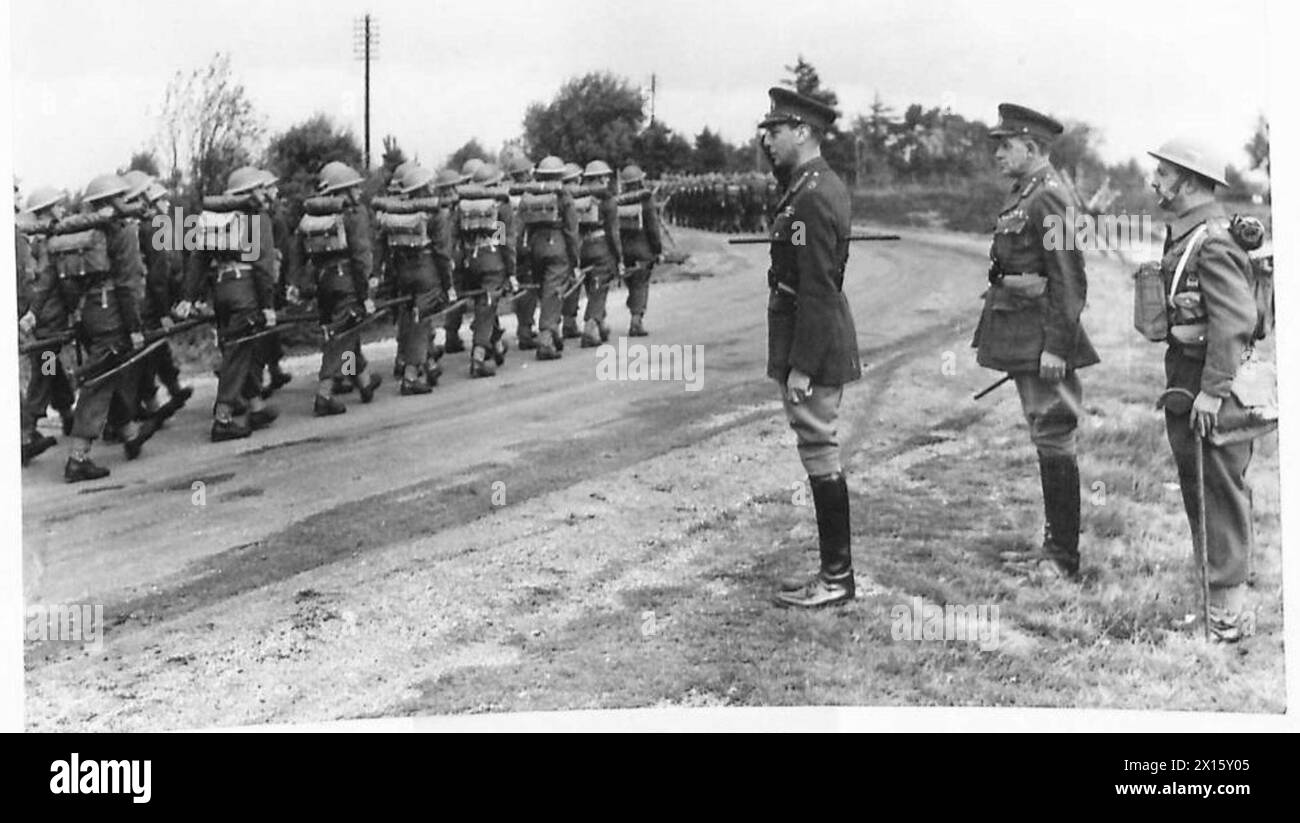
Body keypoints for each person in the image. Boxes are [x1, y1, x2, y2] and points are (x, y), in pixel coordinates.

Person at [975, 103, 1099, 582]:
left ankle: (1063, 558)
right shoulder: (1028, 192)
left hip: (1043, 336)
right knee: (1045, 434)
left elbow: (1069, 278)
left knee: (1053, 434)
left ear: (1033, 147)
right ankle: (1053, 550)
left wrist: (1056, 347)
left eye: (1005, 145)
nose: (998, 153)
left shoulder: (1047, 196)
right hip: (1025, 329)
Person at [1148, 138, 1263, 642]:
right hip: (1188, 376)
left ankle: (1228, 619)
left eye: (1163, 175)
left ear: (1189, 182)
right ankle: (1215, 603)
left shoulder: (1211, 241)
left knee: (1218, 493)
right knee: (1201, 491)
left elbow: (1236, 321)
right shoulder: (1189, 235)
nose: (1154, 183)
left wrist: (1213, 392)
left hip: (1211, 383)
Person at [758, 87, 862, 608]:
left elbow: (820, 286)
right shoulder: (805, 185)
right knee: (815, 448)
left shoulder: (815, 193)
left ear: (802, 131)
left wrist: (802, 365)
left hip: (813, 337)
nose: (766, 140)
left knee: (820, 448)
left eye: (775, 131)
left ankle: (838, 578)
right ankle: (833, 573)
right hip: (803, 329)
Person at [31, 174, 154, 481]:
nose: (129, 202)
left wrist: (32, 313)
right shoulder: (122, 232)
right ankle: (78, 457)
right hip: (110, 314)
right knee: (99, 381)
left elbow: (50, 277)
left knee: (106, 372)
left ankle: (128, 432)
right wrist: (135, 327)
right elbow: (127, 284)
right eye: (125, 197)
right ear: (114, 201)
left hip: (86, 314)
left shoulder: (80, 231)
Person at [177, 166, 279, 440]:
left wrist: (189, 297)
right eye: (259, 188)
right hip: (245, 291)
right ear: (249, 192)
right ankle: (222, 418)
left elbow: (197, 258)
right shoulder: (257, 218)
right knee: (239, 353)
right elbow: (263, 266)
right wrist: (268, 305)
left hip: (221, 290)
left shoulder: (212, 219)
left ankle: (256, 405)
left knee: (243, 349)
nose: (264, 192)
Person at [291, 161, 382, 415]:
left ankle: (363, 382)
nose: (358, 192)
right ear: (344, 191)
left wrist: (297, 284)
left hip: (324, 284)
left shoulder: (310, 217)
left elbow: (296, 253)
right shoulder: (354, 214)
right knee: (340, 337)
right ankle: (324, 395)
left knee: (347, 333)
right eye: (353, 188)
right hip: (347, 283)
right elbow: (361, 257)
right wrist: (366, 295)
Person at [17, 185, 75, 464]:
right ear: (49, 210)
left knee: (53, 369)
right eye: (59, 206)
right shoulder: (42, 245)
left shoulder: (38, 241)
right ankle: (26, 432)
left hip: (47, 317)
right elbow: (43, 284)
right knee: (45, 372)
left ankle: (67, 415)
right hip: (46, 320)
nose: (63, 210)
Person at [453, 163, 517, 377]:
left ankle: (496, 344)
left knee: (486, 304)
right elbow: (504, 242)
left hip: (469, 262)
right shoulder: (501, 206)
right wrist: (511, 271)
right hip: (492, 260)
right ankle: (478, 356)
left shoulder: (462, 206)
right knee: (487, 305)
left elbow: (456, 239)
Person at [516, 155, 580, 360]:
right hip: (556, 244)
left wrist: (512, 250)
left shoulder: (524, 195)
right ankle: (546, 337)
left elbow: (515, 228)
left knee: (539, 291)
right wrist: (575, 258)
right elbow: (571, 230)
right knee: (553, 292)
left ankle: (532, 330)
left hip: (532, 247)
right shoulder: (563, 196)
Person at [574, 160, 623, 347]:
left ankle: (600, 324)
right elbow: (613, 232)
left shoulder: (578, 196)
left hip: (582, 247)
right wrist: (619, 257)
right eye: (606, 176)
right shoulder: (607, 199)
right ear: (602, 178)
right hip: (601, 246)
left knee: (592, 286)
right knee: (599, 288)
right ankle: (590, 326)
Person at [616, 163, 663, 337]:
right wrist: (658, 250)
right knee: (640, 284)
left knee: (632, 284)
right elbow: (653, 228)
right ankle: (636, 320)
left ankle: (633, 310)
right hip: (643, 250)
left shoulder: (619, 200)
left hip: (624, 251)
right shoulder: (645, 200)